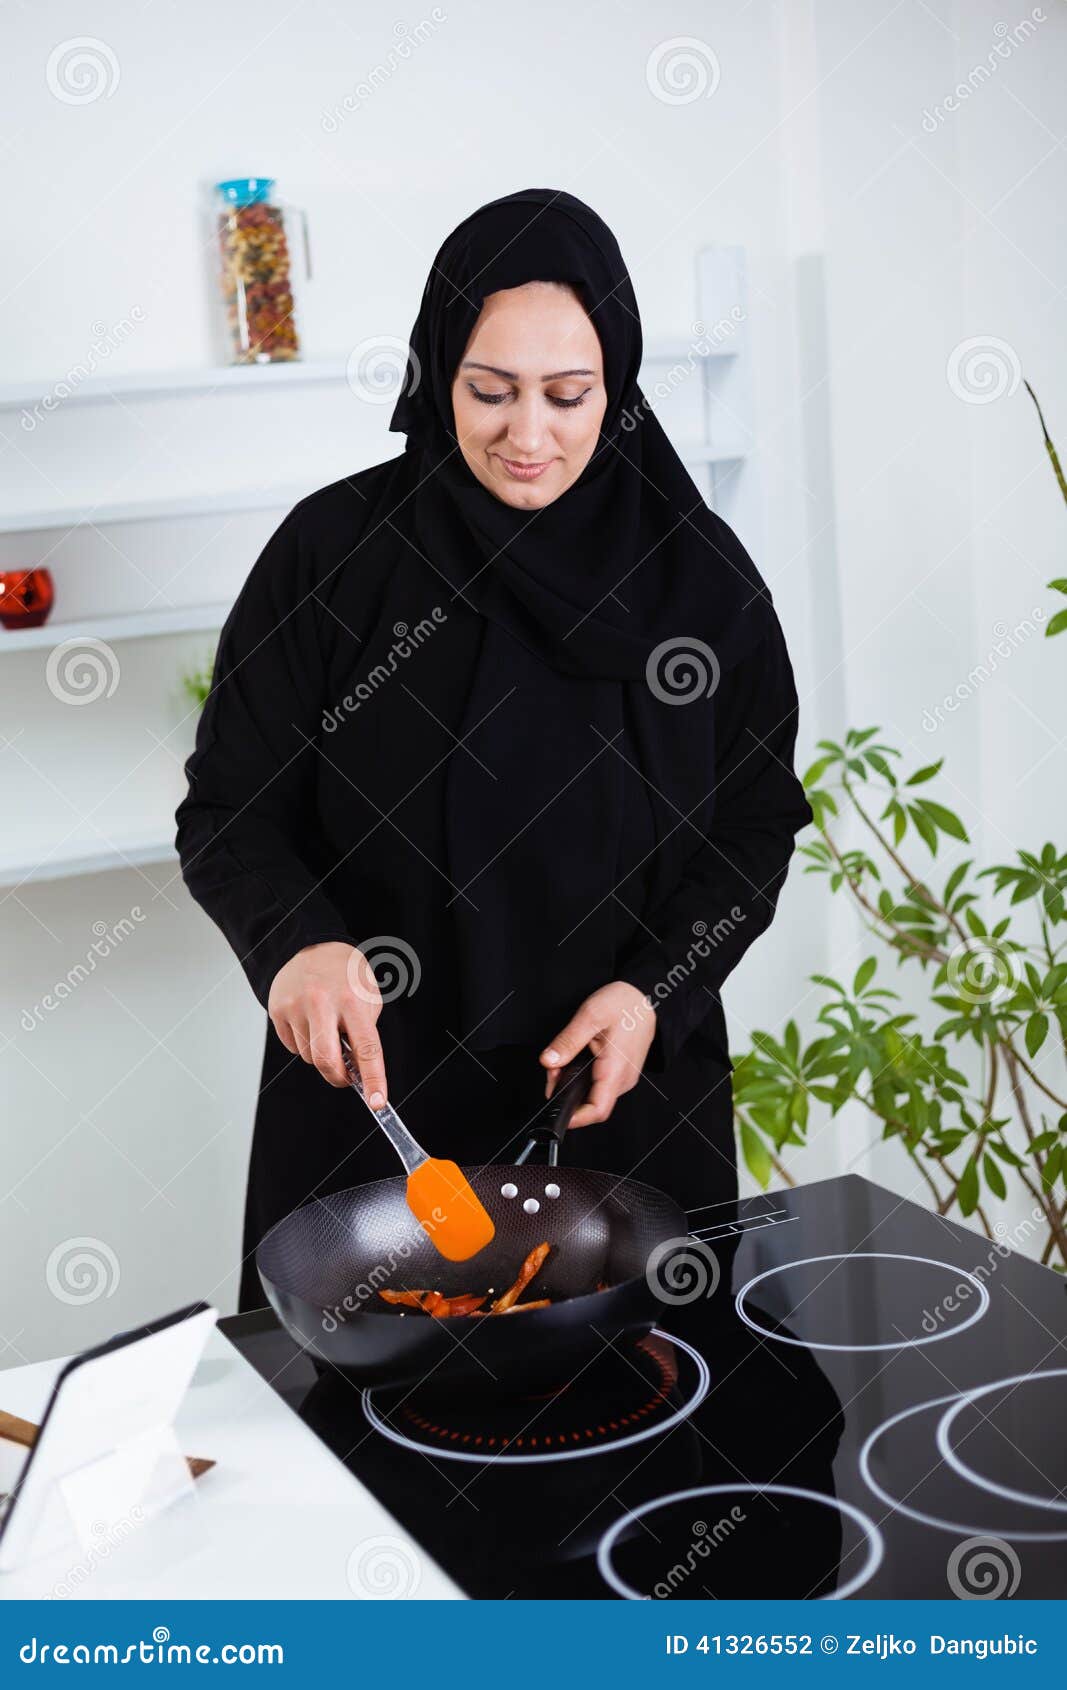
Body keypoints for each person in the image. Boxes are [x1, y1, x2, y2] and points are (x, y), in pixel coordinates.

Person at [174, 187, 812, 1311]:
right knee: (349, 1464)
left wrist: (655, 991)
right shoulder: (332, 559)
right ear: (434, 375)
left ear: (615, 385)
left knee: (658, 1441)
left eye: (568, 396)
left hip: (621, 1112)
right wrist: (294, 947)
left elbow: (755, 820)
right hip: (372, 1127)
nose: (528, 436)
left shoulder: (697, 579)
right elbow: (230, 809)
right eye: (489, 391)